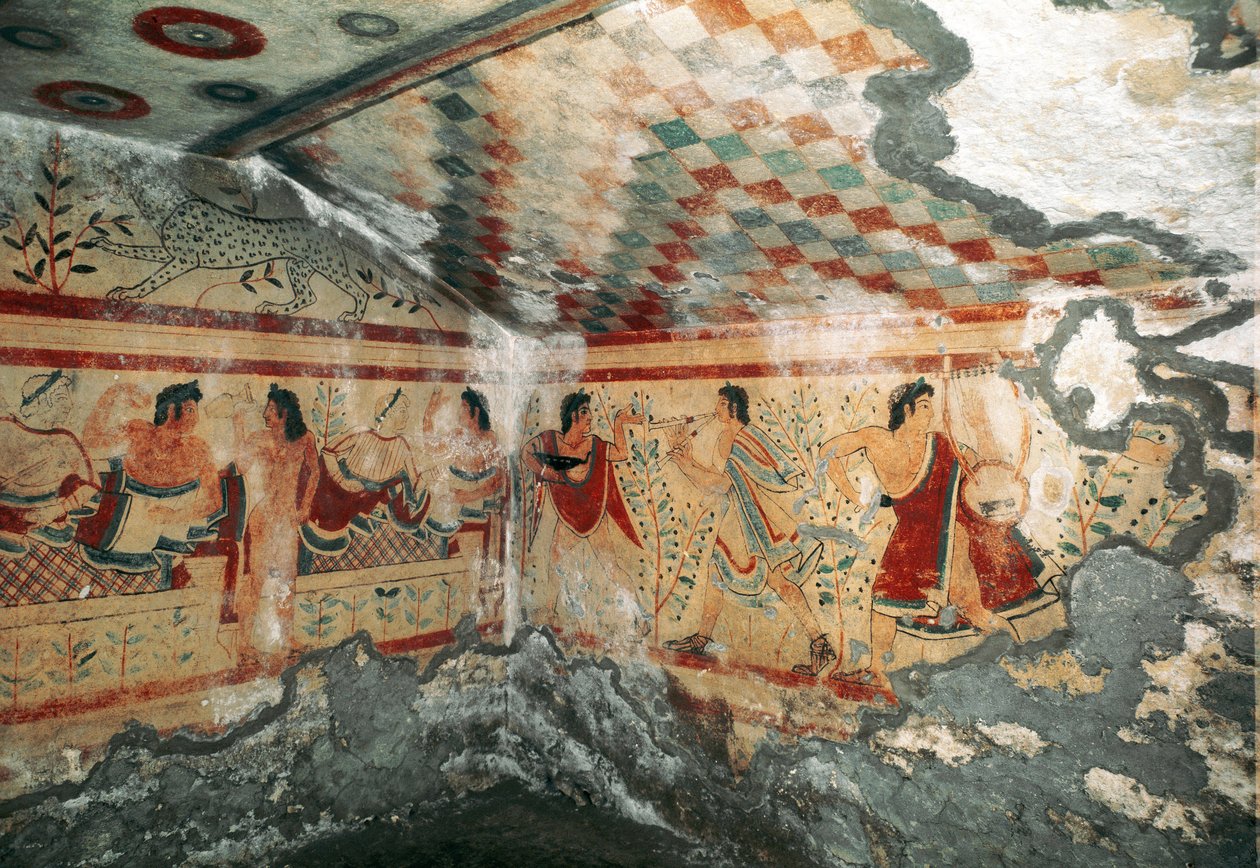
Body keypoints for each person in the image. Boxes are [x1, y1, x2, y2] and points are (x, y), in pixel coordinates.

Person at [819, 378, 1022, 689]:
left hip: (948, 539)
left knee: (972, 609)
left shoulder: (941, 443)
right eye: (924, 406)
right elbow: (828, 451)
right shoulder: (877, 439)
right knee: (883, 602)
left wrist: (982, 429)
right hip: (909, 538)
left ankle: (1020, 654)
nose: (931, 413)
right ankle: (877, 671)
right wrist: (855, 496)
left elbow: (981, 469)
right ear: (907, 409)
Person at [662, 384, 836, 677]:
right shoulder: (724, 437)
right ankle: (702, 639)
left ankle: (820, 643)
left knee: (779, 581)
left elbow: (721, 484)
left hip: (758, 521)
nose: (716, 409)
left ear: (733, 408)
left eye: (721, 403)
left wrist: (685, 464)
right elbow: (718, 479)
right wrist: (688, 459)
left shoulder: (745, 438)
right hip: (740, 520)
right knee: (720, 571)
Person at [521, 389, 643, 619]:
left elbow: (621, 453)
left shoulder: (593, 444)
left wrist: (618, 422)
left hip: (594, 517)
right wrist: (544, 471)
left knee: (611, 568)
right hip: (568, 517)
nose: (590, 417)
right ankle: (549, 611)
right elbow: (526, 452)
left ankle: (639, 614)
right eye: (585, 412)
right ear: (573, 415)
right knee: (555, 560)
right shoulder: (550, 440)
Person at [78, 380, 223, 571]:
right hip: (117, 525)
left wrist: (174, 516)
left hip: (159, 537)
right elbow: (91, 440)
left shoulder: (199, 449)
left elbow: (214, 501)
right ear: (170, 410)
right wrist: (113, 394)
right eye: (190, 410)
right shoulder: (139, 431)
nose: (195, 419)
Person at [233, 384, 319, 663]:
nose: (265, 414)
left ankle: (286, 640)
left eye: (270, 409)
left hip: (286, 519)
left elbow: (314, 471)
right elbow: (241, 465)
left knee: (287, 580)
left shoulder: (304, 439)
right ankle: (244, 645)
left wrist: (306, 505)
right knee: (255, 580)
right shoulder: (260, 438)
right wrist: (238, 426)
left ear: (285, 412)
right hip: (264, 517)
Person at [304, 388, 428, 550]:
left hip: (376, 492)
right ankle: (350, 518)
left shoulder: (403, 444)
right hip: (348, 485)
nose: (407, 416)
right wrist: (343, 480)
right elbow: (328, 452)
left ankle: (375, 514)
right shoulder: (362, 433)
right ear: (388, 413)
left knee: (401, 483)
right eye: (402, 412)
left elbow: (414, 479)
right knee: (331, 518)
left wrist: (426, 479)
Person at [0, 370, 97, 557]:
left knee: (73, 483)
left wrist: (56, 510)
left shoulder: (65, 439)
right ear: (43, 401)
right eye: (61, 398)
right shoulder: (5, 427)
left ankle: (40, 523)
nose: (69, 405)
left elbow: (91, 484)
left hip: (47, 509)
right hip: (7, 505)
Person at [418, 387, 504, 541]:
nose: (459, 412)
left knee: (440, 509)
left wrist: (468, 496)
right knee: (424, 489)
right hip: (454, 488)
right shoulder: (458, 435)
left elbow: (499, 478)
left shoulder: (489, 439)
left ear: (476, 412)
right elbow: (431, 447)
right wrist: (429, 413)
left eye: (464, 408)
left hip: (472, 495)